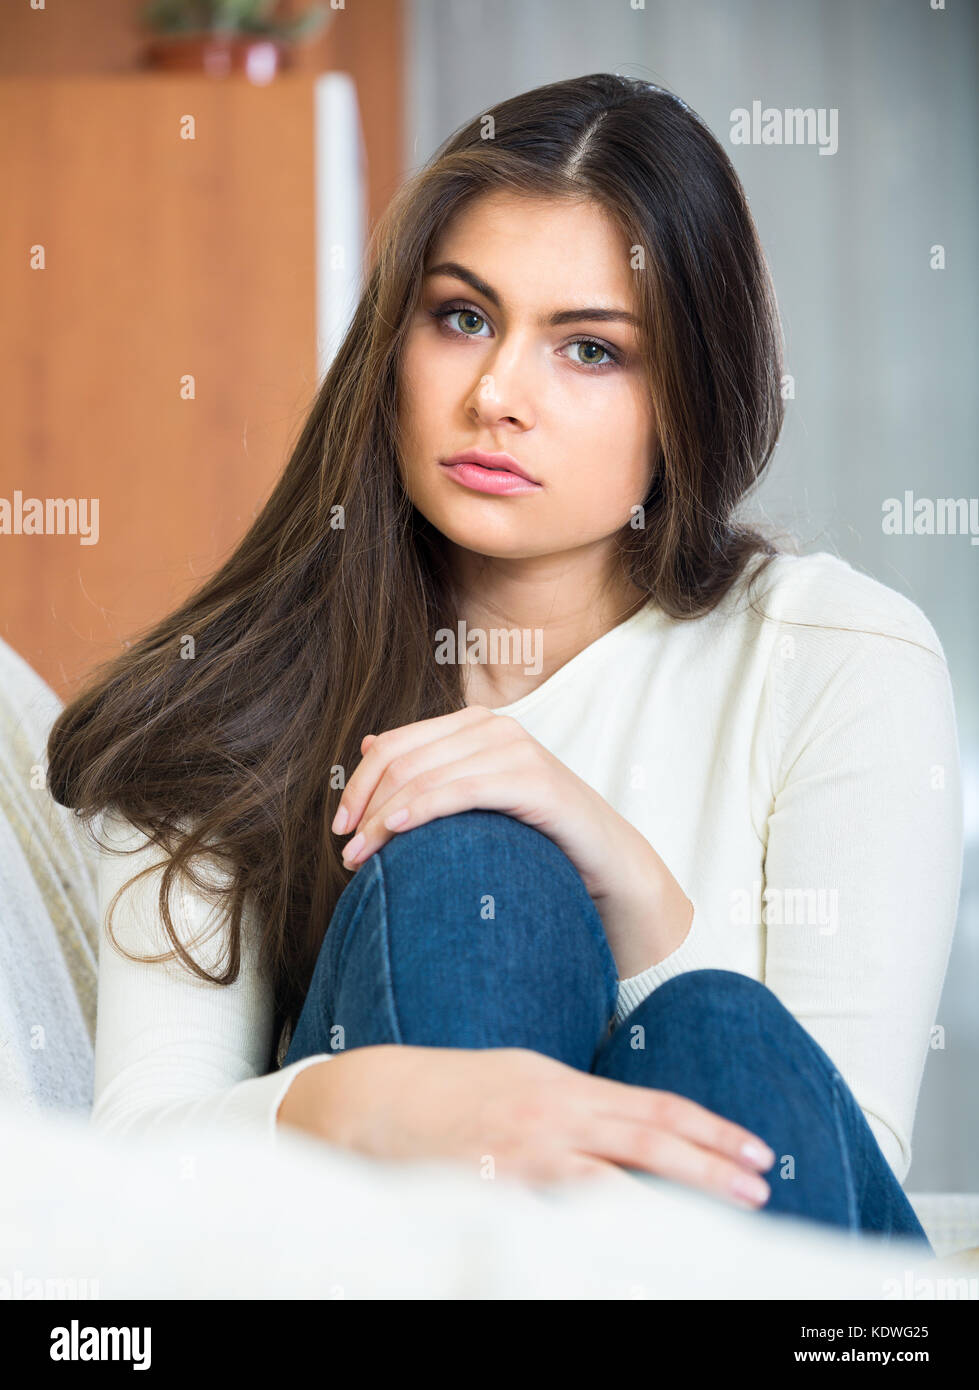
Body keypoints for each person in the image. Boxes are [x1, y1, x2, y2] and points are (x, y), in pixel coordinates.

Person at [47, 74, 962, 1247]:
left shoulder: (837, 657)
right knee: (474, 876)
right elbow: (132, 1162)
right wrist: (363, 1103)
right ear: (391, 346)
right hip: (384, 1252)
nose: (495, 397)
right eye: (462, 318)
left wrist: (614, 862)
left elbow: (842, 1156)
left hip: (778, 1276)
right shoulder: (238, 698)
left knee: (717, 1026)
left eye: (589, 349)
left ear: (690, 394)